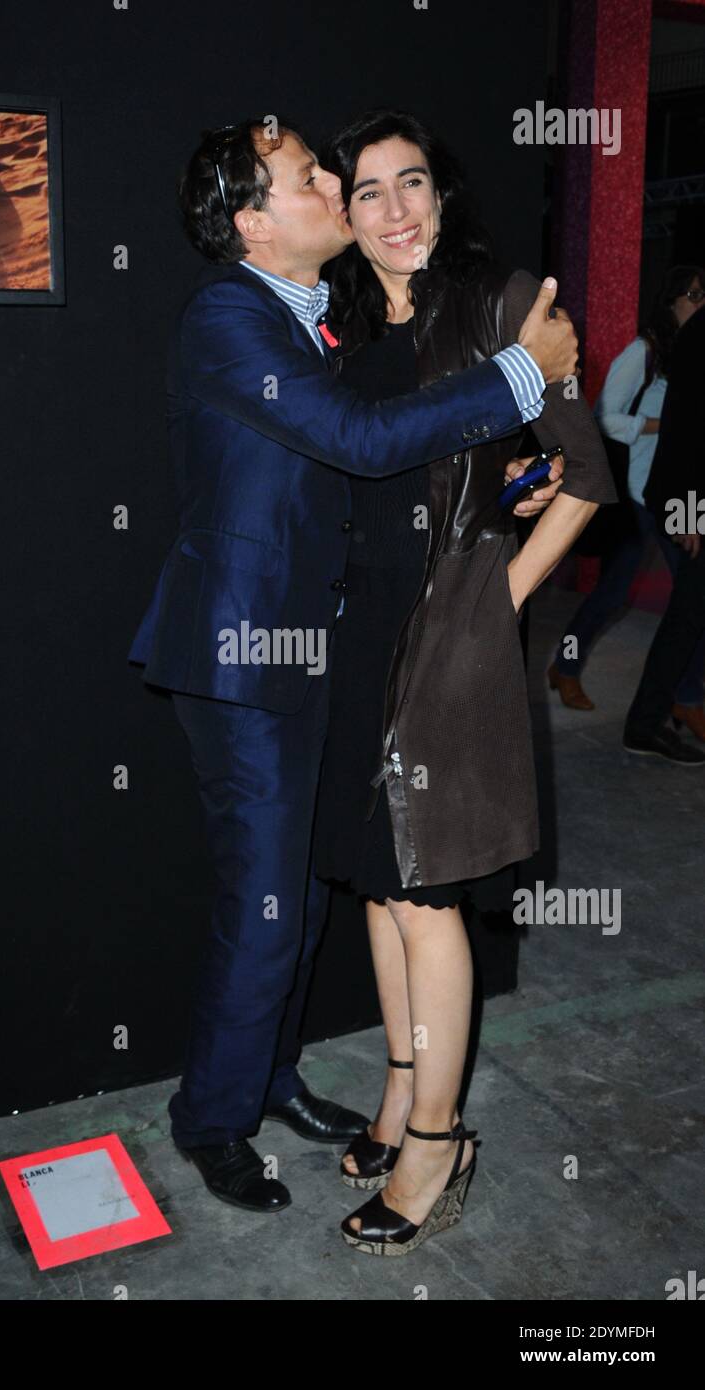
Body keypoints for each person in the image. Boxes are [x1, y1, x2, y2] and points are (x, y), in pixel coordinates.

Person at [127, 115, 577, 1215]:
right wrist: (525, 371)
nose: (334, 186)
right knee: (269, 899)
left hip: (319, 646)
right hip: (241, 651)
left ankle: (268, 1076)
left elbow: (369, 474)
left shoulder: (312, 315)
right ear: (251, 220)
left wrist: (494, 497)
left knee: (307, 892)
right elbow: (361, 441)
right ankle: (213, 1117)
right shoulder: (229, 317)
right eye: (310, 177)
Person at [309, 107, 615, 1255]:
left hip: (449, 632)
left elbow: (581, 471)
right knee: (384, 888)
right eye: (368, 191)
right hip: (361, 628)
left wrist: (499, 600)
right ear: (341, 214)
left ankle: (437, 1139)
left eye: (412, 182)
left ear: (441, 194)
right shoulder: (340, 325)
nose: (394, 210)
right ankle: (399, 1092)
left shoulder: (502, 302)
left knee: (430, 897)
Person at [547, 265, 705, 732]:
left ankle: (686, 697)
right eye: (692, 295)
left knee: (692, 602)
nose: (699, 303)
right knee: (613, 594)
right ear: (671, 301)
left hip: (668, 495)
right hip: (637, 491)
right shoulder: (644, 353)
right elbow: (605, 417)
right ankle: (566, 666)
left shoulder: (688, 355)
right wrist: (658, 426)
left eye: (704, 295)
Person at [623, 299, 705, 763]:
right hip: (690, 506)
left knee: (689, 615)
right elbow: (688, 430)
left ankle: (666, 710)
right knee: (686, 616)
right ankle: (649, 721)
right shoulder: (701, 332)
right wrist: (689, 513)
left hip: (689, 501)